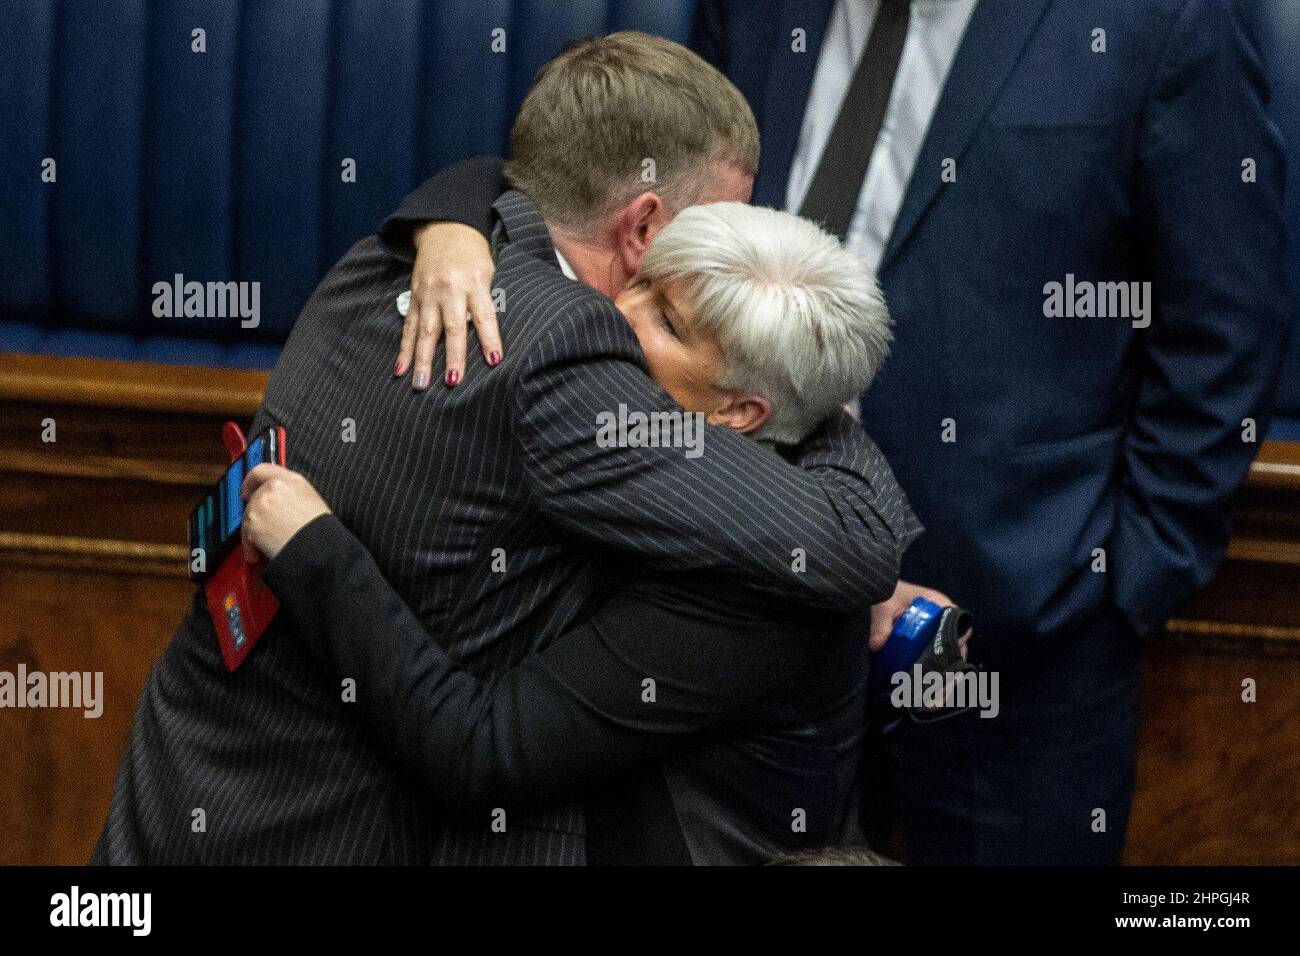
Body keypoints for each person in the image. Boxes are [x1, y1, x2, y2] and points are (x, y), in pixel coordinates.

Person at [381, 0, 1292, 864]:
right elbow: (608, 190)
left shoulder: (1165, 20)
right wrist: (455, 219)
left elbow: (1228, 316)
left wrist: (1126, 582)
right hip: (733, 606)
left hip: (1021, 632)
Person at [92, 32, 919, 866]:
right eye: (712, 231)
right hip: (307, 829)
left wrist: (452, 211)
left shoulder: (382, 261)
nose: (718, 259)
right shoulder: (566, 358)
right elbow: (854, 545)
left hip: (175, 778)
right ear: (644, 226)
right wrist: (823, 411)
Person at [236, 201, 922, 865]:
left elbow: (480, 755)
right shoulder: (680, 445)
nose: (615, 309)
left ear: (738, 411)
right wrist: (450, 221)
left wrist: (316, 551)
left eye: (669, 325)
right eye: (644, 280)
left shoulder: (753, 592)